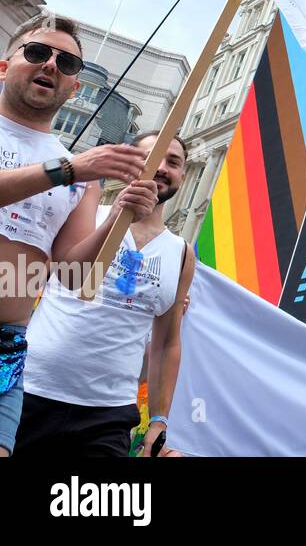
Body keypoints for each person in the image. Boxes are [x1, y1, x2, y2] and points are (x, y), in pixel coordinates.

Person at [0, 11, 165, 457]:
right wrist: (71, 168)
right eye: (37, 53)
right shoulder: (75, 167)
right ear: (5, 64)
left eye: (67, 63)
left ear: (74, 88)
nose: (51, 65)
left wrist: (118, 219)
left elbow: (75, 277)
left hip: (7, 352)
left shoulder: (83, 176)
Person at [15, 131, 194, 457]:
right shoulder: (86, 214)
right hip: (32, 391)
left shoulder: (181, 254)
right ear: (130, 163)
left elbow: (168, 342)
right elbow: (34, 280)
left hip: (108, 414)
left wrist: (158, 418)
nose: (163, 167)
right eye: (153, 156)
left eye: (174, 161)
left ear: (183, 174)